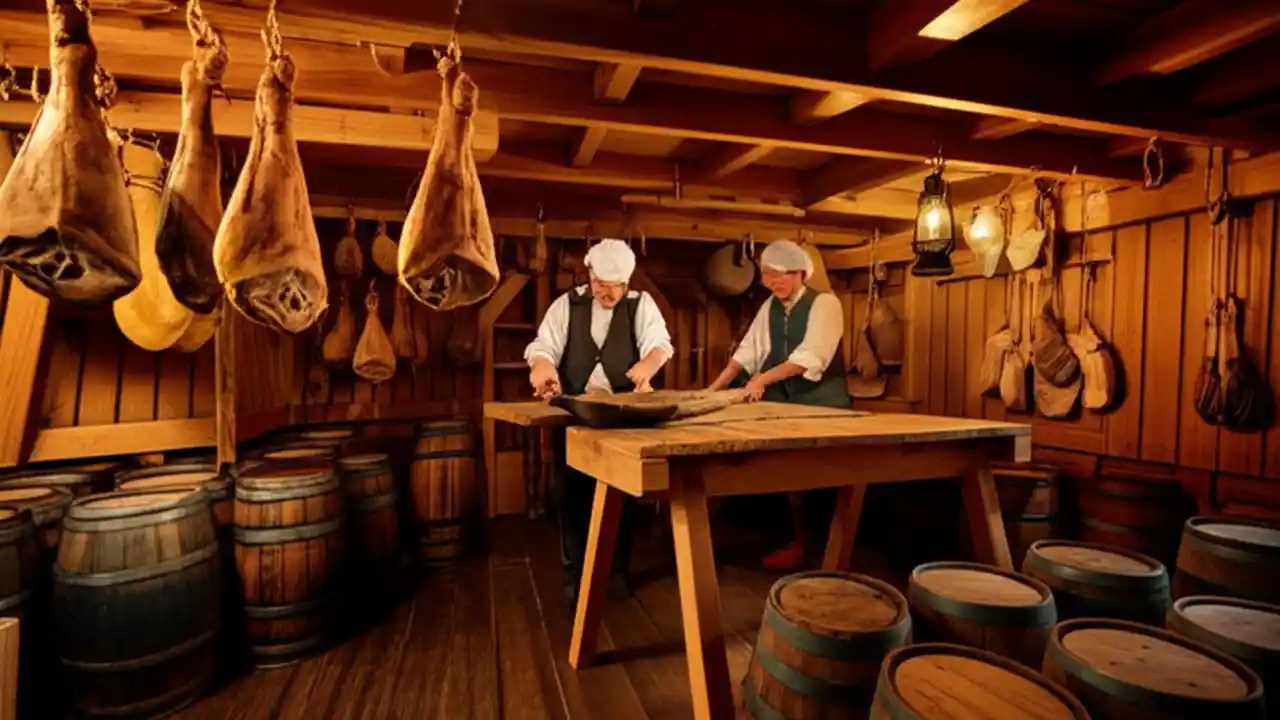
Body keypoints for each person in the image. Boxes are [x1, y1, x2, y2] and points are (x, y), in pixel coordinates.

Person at [524, 238, 674, 606]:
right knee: (571, 497)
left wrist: (647, 366)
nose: (607, 292)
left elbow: (660, 343)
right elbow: (543, 347)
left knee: (619, 497)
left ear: (626, 281)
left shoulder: (640, 305)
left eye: (615, 285)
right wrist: (543, 371)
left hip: (620, 418)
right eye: (600, 284)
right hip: (574, 416)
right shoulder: (567, 305)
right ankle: (575, 578)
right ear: (589, 275)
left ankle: (617, 574)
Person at [706, 239, 850, 570]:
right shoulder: (771, 306)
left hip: (822, 405)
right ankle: (796, 544)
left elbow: (810, 357)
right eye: (768, 276)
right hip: (785, 403)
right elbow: (745, 354)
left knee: (819, 479)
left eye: (780, 276)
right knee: (784, 475)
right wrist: (710, 392)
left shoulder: (825, 304)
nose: (772, 283)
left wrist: (762, 380)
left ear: (801, 273)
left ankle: (822, 553)